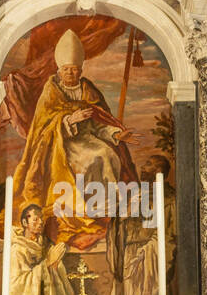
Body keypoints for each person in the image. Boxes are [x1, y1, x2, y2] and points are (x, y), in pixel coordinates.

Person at [10, 29, 139, 250]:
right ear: (59, 70)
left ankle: (102, 208)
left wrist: (116, 134)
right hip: (61, 145)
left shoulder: (87, 89)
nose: (71, 73)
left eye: (74, 69)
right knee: (90, 160)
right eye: (67, 69)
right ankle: (80, 209)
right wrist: (69, 119)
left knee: (107, 154)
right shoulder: (51, 90)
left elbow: (99, 124)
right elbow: (43, 127)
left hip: (88, 139)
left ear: (80, 70)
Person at [103, 154, 174, 295]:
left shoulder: (168, 198)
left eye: (150, 163)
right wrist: (121, 219)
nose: (144, 166)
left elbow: (170, 233)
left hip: (149, 260)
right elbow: (119, 228)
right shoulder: (135, 196)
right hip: (129, 257)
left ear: (160, 172)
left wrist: (148, 252)